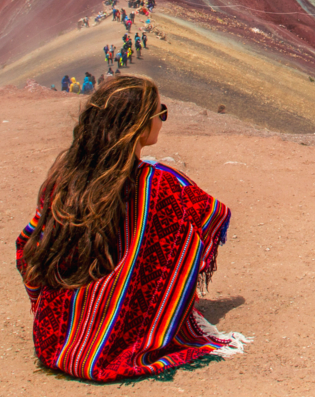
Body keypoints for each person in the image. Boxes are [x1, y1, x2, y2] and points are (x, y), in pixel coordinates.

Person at [16, 76, 246, 380]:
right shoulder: (158, 185)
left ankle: (94, 312)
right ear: (138, 125)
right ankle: (142, 312)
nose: (162, 120)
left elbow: (29, 245)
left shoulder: (64, 178)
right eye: (159, 112)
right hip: (118, 344)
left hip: (56, 338)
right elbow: (214, 214)